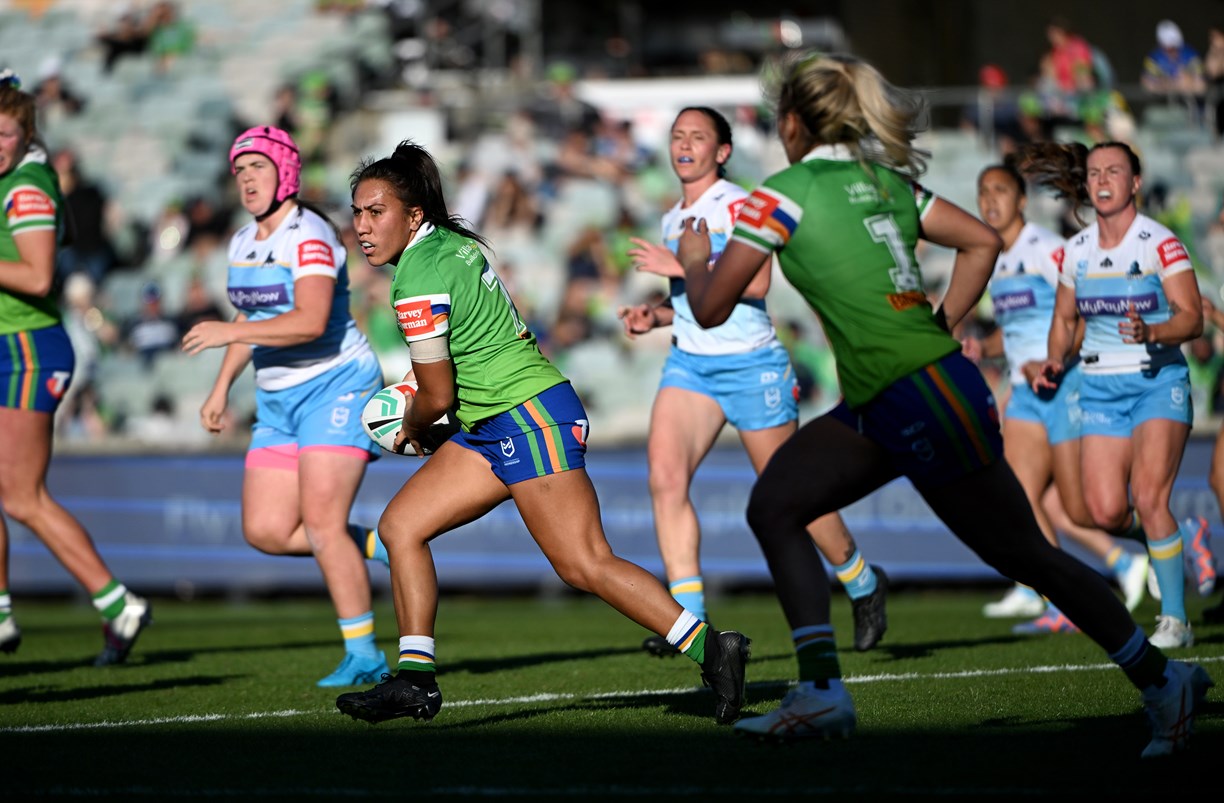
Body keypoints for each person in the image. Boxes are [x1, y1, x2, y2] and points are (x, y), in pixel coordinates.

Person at [651, 51, 1211, 756]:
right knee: (776, 502)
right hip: (900, 391)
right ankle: (822, 691)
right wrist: (940, 323)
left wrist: (697, 253)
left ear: (793, 122)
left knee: (1025, 555)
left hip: (917, 392)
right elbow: (979, 242)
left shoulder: (779, 194)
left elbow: (707, 305)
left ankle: (1165, 682)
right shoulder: (882, 180)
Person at [333, 140, 750, 727]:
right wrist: (427, 416)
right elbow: (463, 361)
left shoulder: (417, 275)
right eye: (357, 212)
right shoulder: (450, 248)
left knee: (583, 563)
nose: (362, 226)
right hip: (497, 419)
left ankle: (712, 648)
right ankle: (415, 680)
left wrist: (410, 429)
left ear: (414, 215)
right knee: (402, 527)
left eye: (376, 212)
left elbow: (437, 396)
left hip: (525, 414)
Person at [619, 106, 887, 655]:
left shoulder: (738, 203)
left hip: (751, 365)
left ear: (722, 152)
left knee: (793, 494)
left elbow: (759, 280)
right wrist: (658, 315)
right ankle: (688, 620)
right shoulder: (674, 216)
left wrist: (679, 266)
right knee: (666, 480)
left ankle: (862, 580)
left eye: (698, 136)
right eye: (677, 136)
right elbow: (698, 300)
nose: (684, 144)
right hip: (690, 363)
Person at [181, 126, 390, 688]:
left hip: (336, 386)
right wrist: (223, 386)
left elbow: (310, 321)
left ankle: (365, 652)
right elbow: (253, 320)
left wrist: (225, 334)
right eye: (240, 171)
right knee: (268, 531)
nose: (247, 180)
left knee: (321, 525)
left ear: (286, 173)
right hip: (277, 398)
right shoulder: (241, 242)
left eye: (258, 168)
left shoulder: (311, 234)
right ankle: (379, 542)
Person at [1022, 139, 1216, 649]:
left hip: (1156, 383)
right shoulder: (1077, 251)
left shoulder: (1160, 243)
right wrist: (1054, 359)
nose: (1103, 180)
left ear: (1134, 183)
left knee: (1150, 498)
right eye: (1094, 172)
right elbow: (1065, 319)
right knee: (1104, 512)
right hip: (1100, 388)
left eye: (1115, 171)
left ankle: (1175, 620)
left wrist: (1152, 332)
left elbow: (1192, 318)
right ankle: (1178, 540)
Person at [0, 69, 151, 665]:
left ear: (25, 134)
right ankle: (7, 614)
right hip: (9, 345)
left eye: (6, 132)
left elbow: (37, 277)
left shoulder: (28, 186)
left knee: (22, 497)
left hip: (28, 350)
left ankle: (118, 604)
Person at [968, 161, 1150, 630]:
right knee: (1022, 504)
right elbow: (1014, 336)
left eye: (1000, 191)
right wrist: (980, 347)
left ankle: (1163, 534)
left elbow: (1083, 314)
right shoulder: (992, 260)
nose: (990, 200)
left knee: (1081, 510)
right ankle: (1060, 603)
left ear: (1022, 200)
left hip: (1065, 384)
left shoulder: (1046, 249)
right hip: (1026, 393)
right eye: (983, 192)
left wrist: (1055, 360)